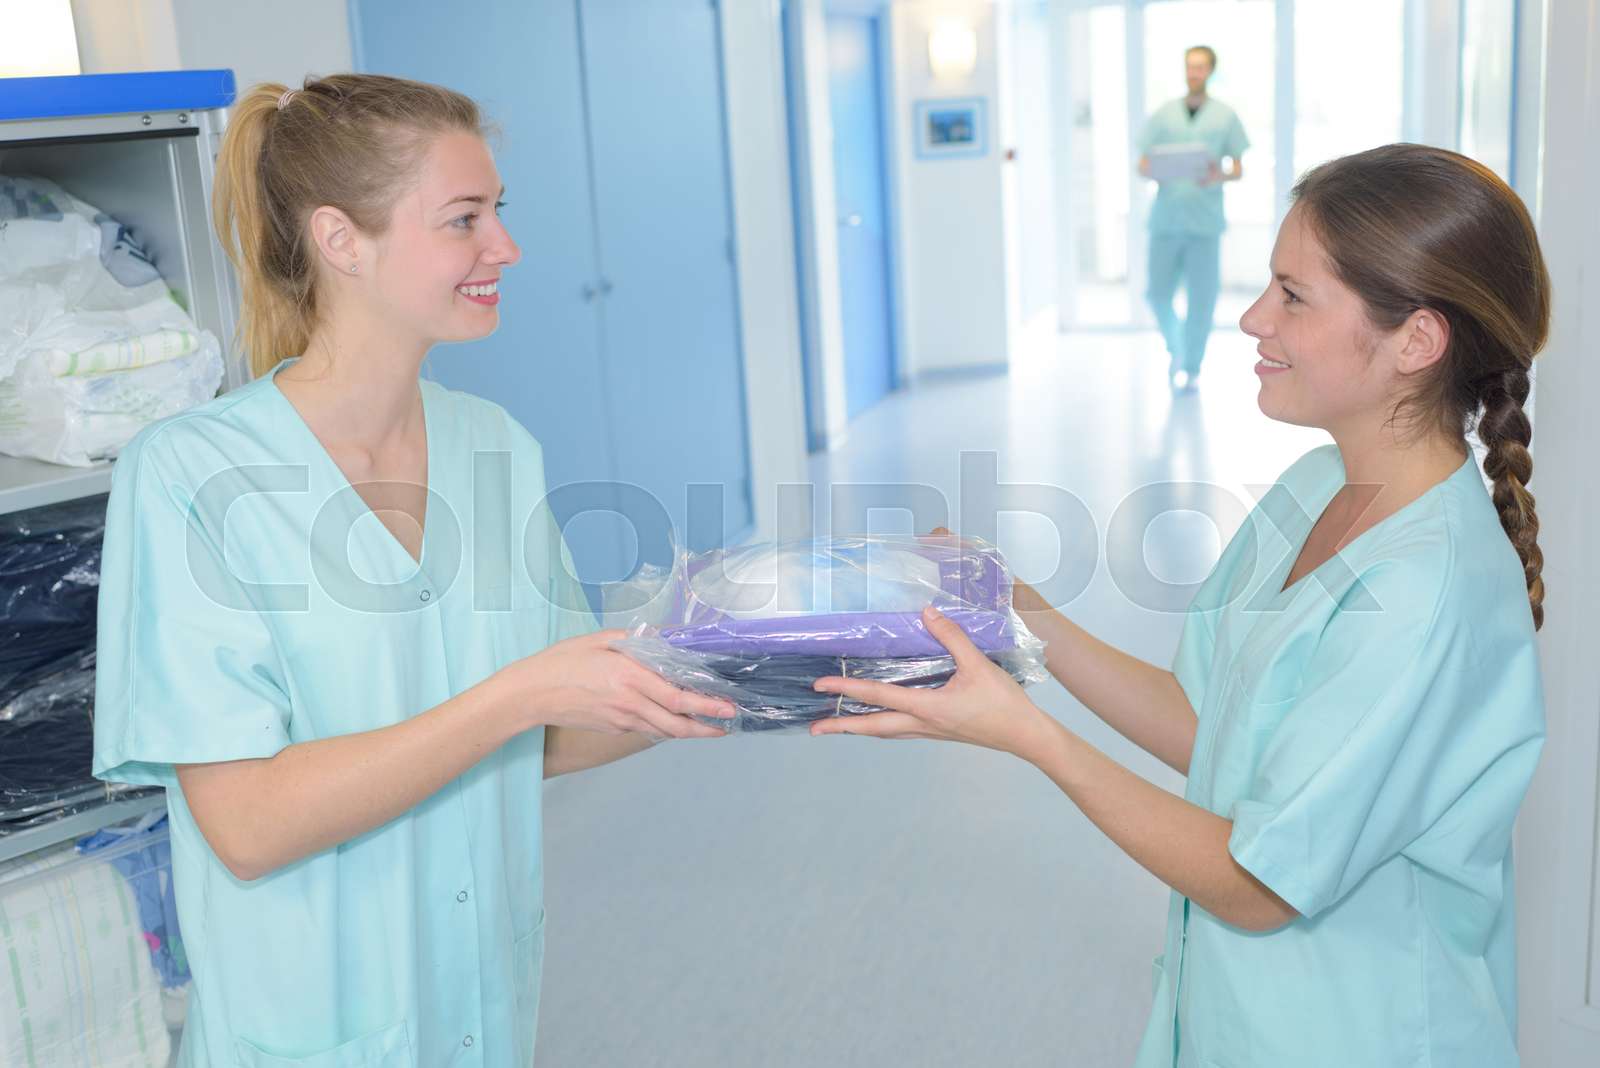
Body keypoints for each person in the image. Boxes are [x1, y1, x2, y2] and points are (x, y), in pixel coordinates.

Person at [810, 144, 1548, 1066]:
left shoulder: (1426, 593)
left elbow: (1258, 883)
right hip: (1241, 1022)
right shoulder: (1317, 485)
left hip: (1363, 1033)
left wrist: (1028, 735)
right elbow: (1209, 722)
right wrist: (1018, 607)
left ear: (1417, 341)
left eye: (1292, 295)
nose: (1250, 318)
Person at [92, 74, 732, 1067]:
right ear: (342, 240)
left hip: (477, 1011)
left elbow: (546, 735)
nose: (505, 247)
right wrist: (515, 695)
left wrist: (725, 673)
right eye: (464, 220)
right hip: (314, 1025)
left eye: (499, 214)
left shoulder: (495, 449)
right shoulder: (190, 473)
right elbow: (248, 824)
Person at [1138, 45, 1249, 392]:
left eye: (1200, 67)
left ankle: (1191, 364)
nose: (1193, 72)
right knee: (1156, 294)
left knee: (1202, 298)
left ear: (1210, 70)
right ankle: (1178, 348)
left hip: (1204, 222)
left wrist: (1220, 175)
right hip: (1166, 219)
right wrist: (1155, 169)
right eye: (1189, 66)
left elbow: (1237, 168)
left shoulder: (1225, 115)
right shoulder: (1164, 114)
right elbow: (1142, 163)